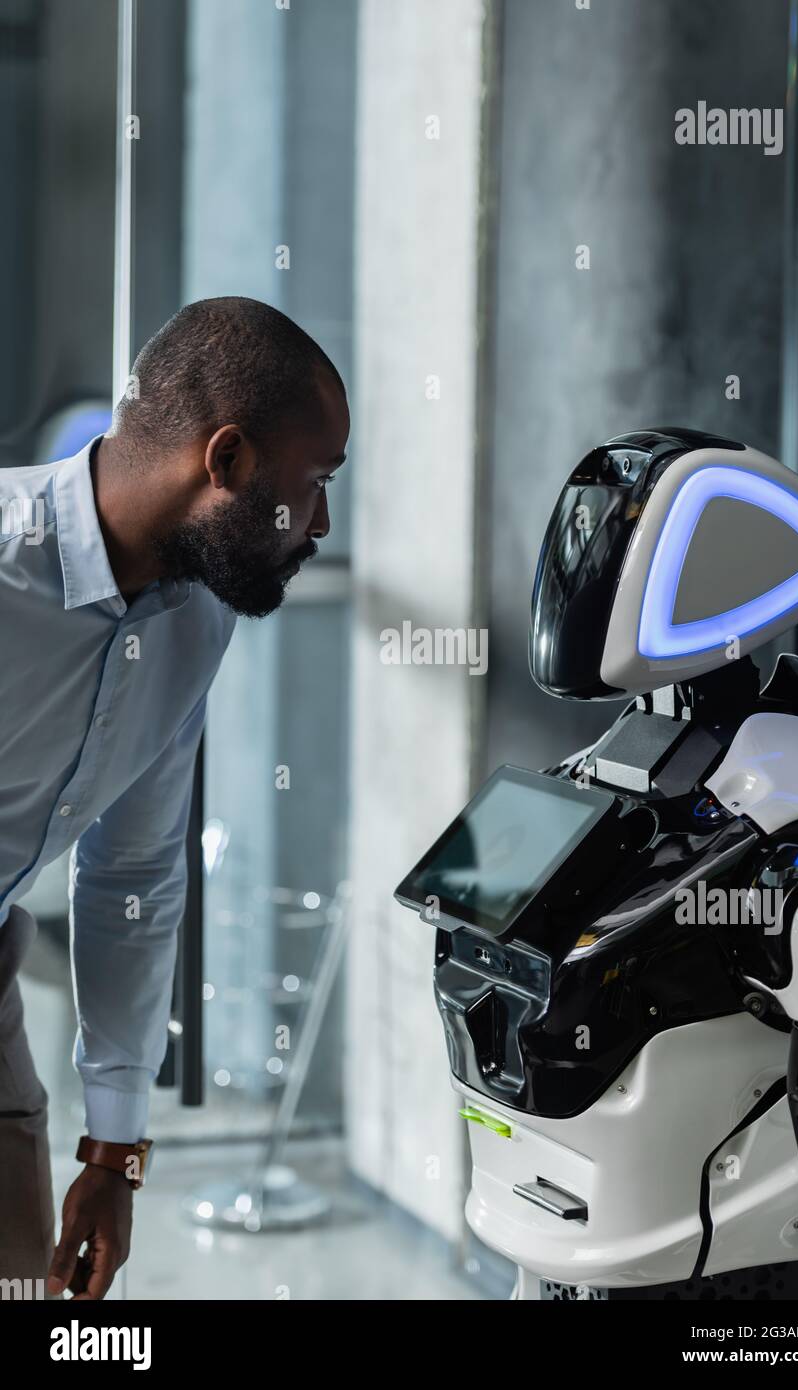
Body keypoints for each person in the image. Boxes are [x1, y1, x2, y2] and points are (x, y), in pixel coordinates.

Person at [0, 296, 349, 1299]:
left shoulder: (195, 613)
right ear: (228, 460)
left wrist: (114, 1157)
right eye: (315, 482)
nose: (323, 522)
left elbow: (133, 874)